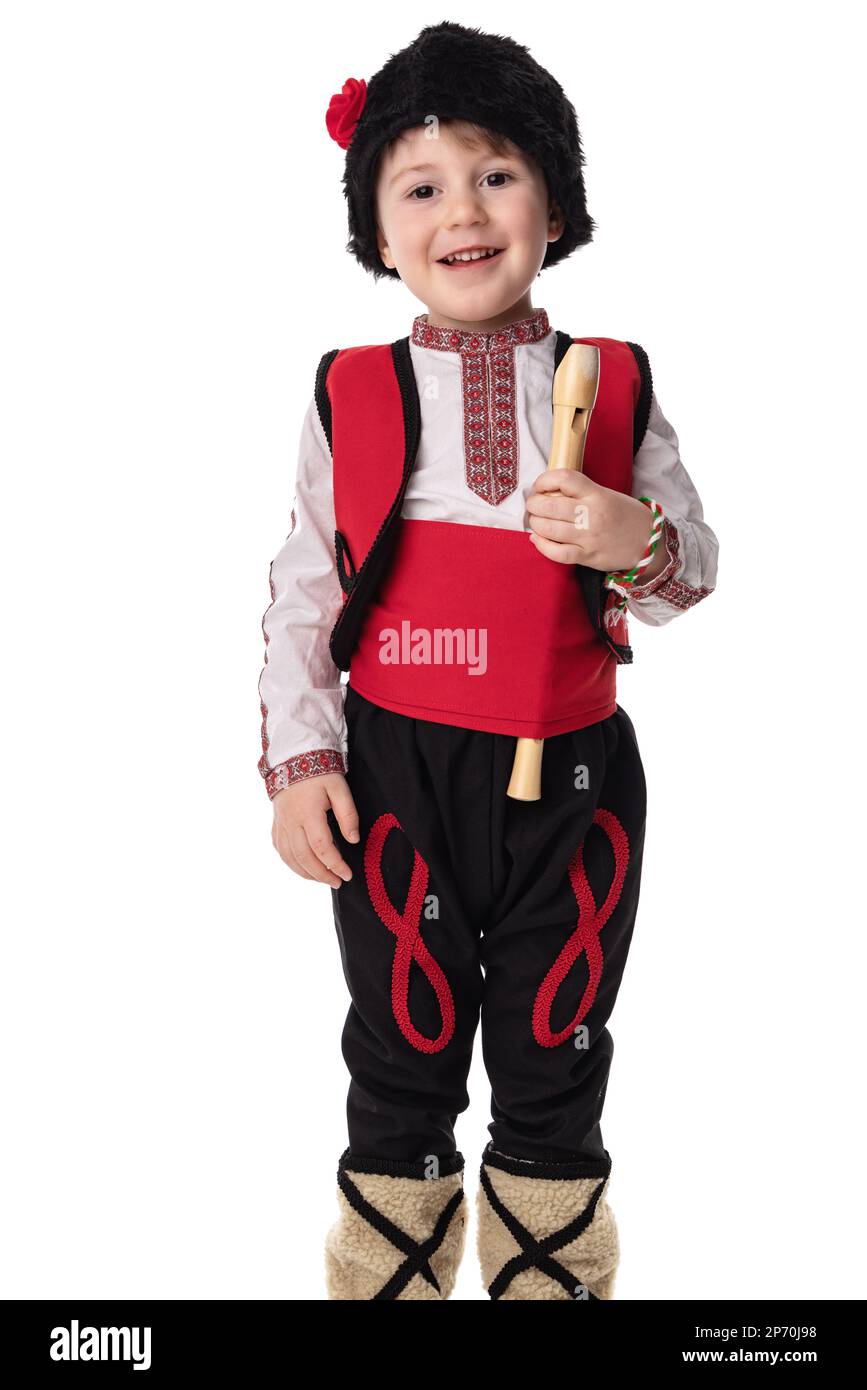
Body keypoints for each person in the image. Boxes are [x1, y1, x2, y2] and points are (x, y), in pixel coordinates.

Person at [258, 21, 719, 1300]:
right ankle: (392, 1267)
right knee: (403, 1034)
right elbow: (305, 589)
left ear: (556, 201)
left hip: (570, 771)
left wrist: (635, 536)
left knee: (553, 1038)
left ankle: (548, 1269)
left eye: (497, 172)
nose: (463, 212)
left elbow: (689, 575)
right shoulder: (350, 392)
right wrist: (302, 762)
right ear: (380, 229)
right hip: (397, 769)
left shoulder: (610, 383)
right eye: (421, 185)